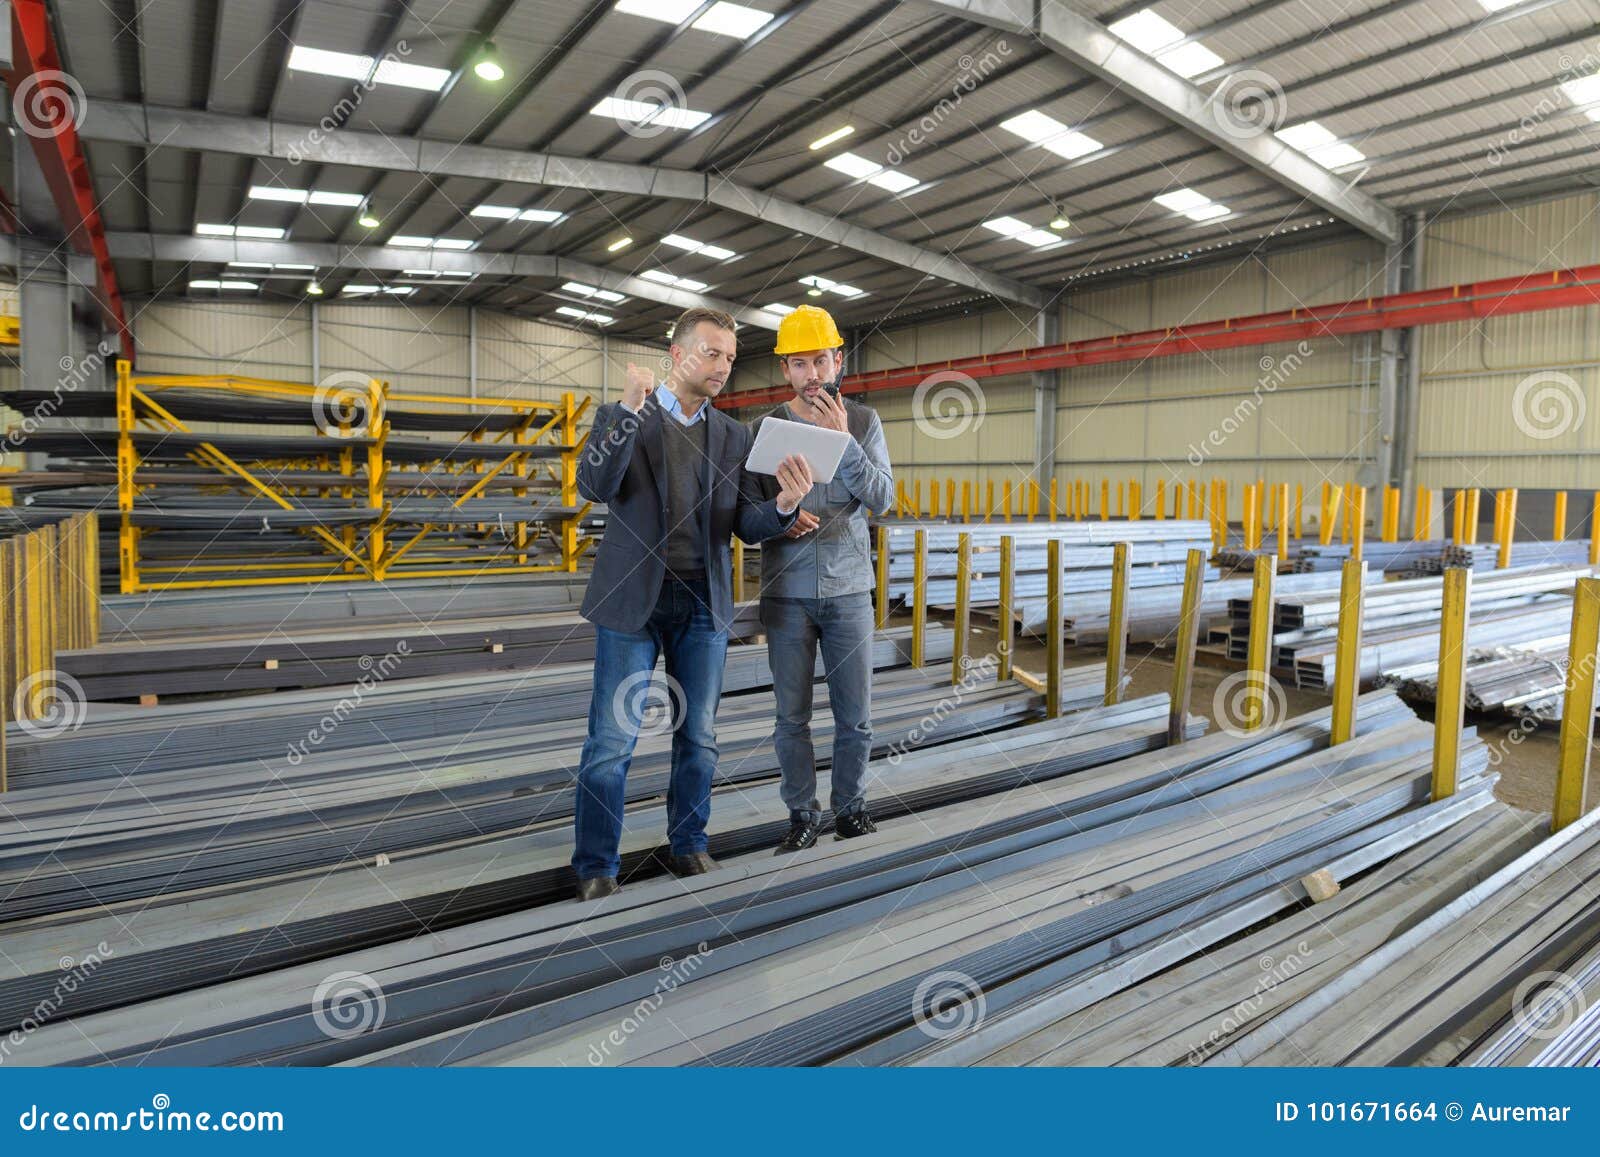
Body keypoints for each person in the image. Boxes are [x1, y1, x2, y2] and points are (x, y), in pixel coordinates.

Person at [571, 306, 814, 901]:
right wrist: (627, 411)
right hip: (634, 605)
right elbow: (593, 486)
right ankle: (597, 864)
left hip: (702, 603)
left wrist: (782, 505)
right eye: (713, 353)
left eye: (731, 357)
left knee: (699, 735)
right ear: (677, 355)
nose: (724, 367)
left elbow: (742, 524)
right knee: (612, 740)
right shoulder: (624, 416)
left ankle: (688, 845)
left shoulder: (733, 436)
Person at [751, 305, 894, 853]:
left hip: (849, 590)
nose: (812, 374)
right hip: (787, 594)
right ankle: (802, 814)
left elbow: (882, 497)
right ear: (785, 369)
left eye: (821, 360)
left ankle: (850, 808)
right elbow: (747, 517)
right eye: (799, 364)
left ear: (838, 360)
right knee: (791, 717)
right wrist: (783, 517)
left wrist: (848, 446)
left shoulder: (863, 423)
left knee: (855, 716)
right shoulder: (762, 432)